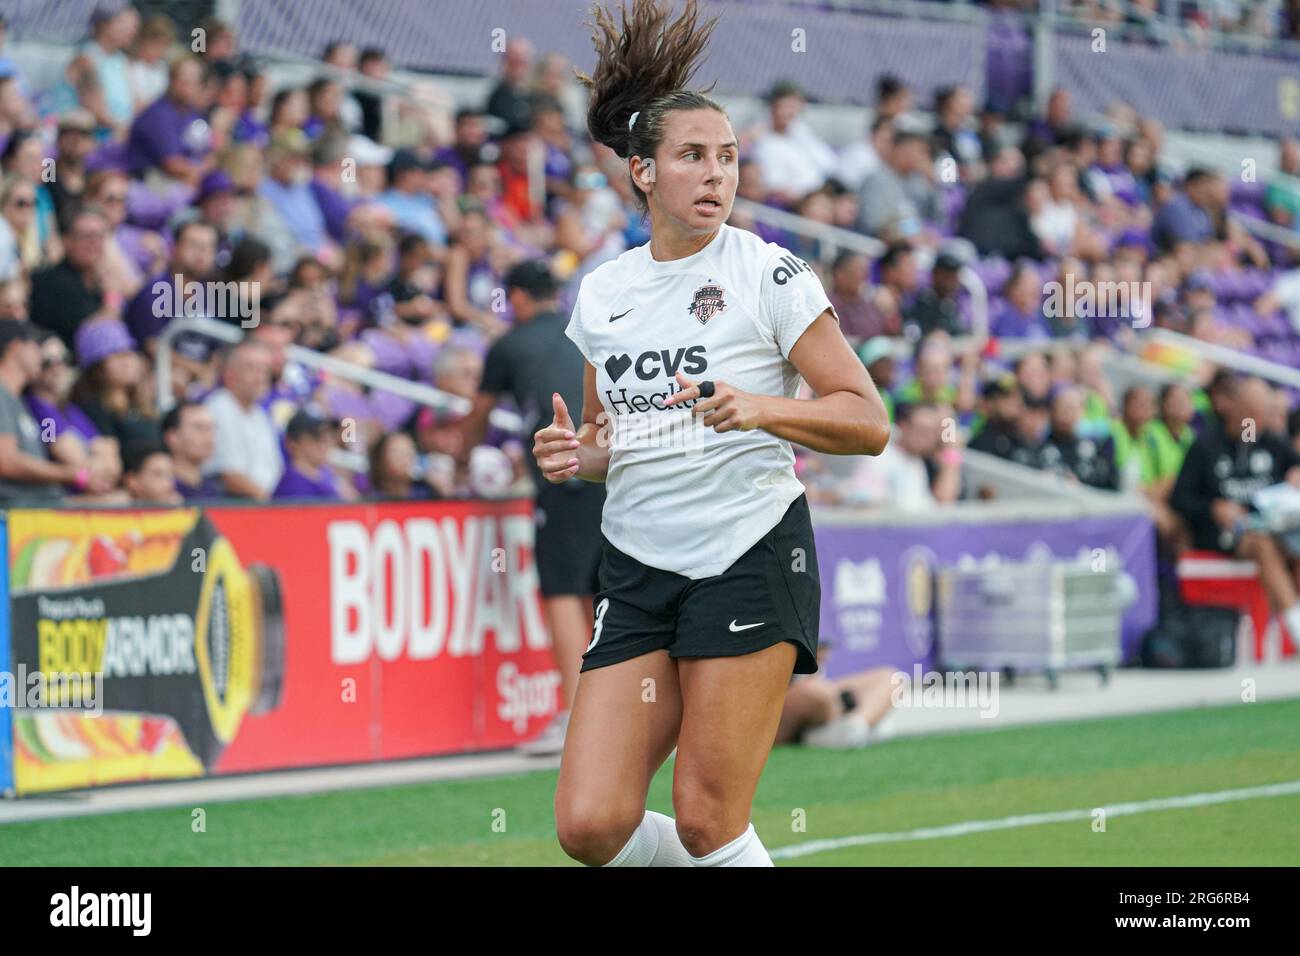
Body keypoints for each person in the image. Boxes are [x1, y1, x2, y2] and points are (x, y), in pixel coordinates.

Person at [536, 0, 888, 868]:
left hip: (749, 554)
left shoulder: (769, 272)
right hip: (638, 567)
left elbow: (867, 419)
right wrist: (576, 458)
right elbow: (605, 441)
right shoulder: (603, 292)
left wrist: (764, 408)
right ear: (643, 172)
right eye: (693, 155)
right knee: (589, 825)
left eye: (728, 157)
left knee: (704, 817)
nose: (717, 174)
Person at [462, 259, 606, 756]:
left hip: (563, 477)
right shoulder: (585, 331)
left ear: (517, 298)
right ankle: (613, 715)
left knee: (563, 591)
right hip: (613, 469)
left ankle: (574, 716)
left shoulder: (508, 345)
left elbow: (477, 417)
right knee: (600, 594)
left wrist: (458, 463)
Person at [1171, 376, 1300, 645]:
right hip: (1225, 535)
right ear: (1234, 408)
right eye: (1251, 413)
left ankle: (1285, 628)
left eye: (1262, 415)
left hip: (1275, 527)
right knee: (1262, 543)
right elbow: (1179, 498)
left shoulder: (1273, 444)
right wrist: (1213, 507)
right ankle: (1296, 630)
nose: (1256, 421)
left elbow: (1295, 468)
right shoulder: (1205, 446)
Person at [0, 320, 112, 500]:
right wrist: (72, 474)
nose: (40, 356)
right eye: (36, 347)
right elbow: (5, 461)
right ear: (16, 347)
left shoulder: (17, 400)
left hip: (37, 506)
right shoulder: (4, 394)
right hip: (15, 514)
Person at [204, 340, 283, 499]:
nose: (260, 377)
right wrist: (272, 504)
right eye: (251, 368)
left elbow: (275, 469)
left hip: (262, 503)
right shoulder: (219, 407)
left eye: (264, 370)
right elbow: (229, 474)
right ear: (229, 373)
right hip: (233, 504)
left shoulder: (260, 414)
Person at [274, 407, 342, 499]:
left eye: (326, 436)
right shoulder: (293, 484)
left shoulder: (326, 474)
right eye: (316, 437)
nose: (324, 443)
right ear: (293, 444)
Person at [161, 400, 223, 500]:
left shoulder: (215, 487)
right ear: (172, 437)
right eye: (198, 428)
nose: (209, 435)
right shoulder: (161, 489)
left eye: (211, 428)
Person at [122, 440, 181, 505]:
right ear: (133, 481)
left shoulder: (183, 507)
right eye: (158, 474)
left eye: (171, 474)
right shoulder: (116, 508)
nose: (169, 482)